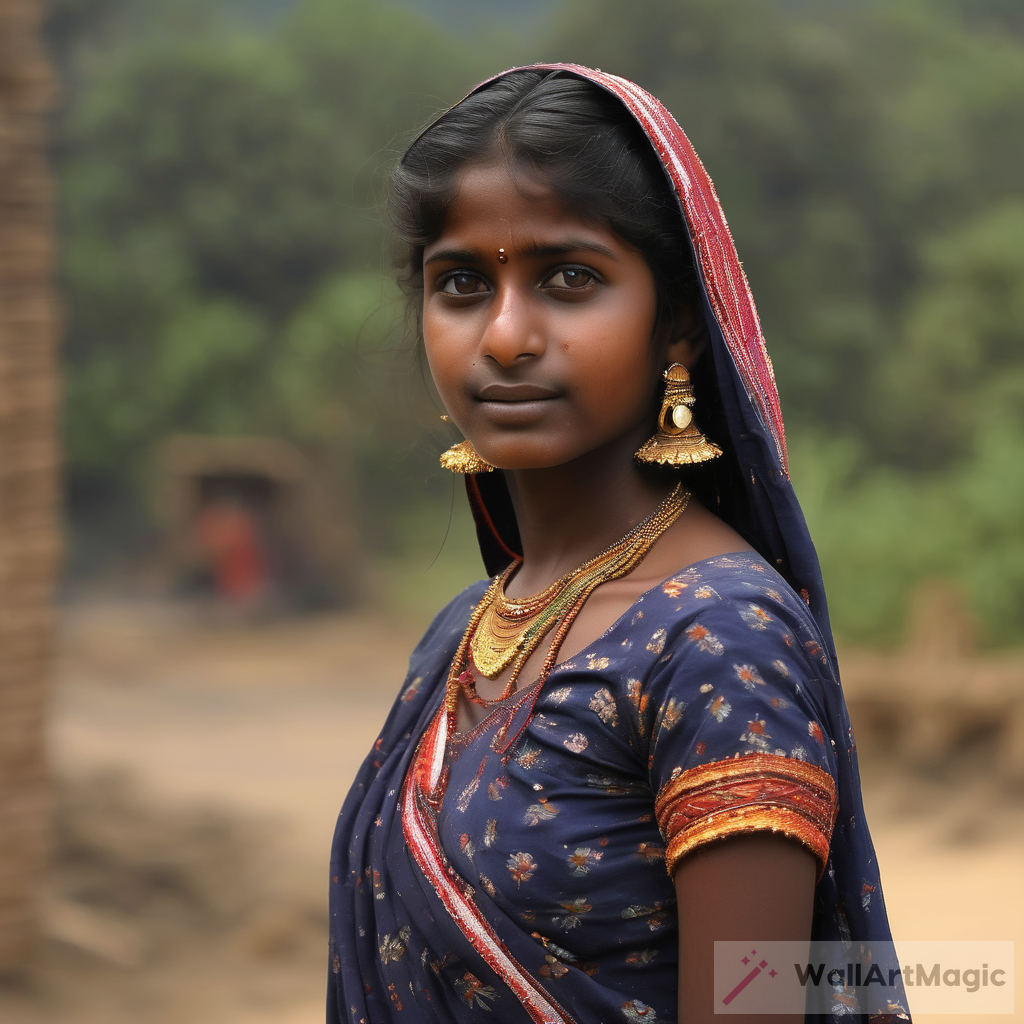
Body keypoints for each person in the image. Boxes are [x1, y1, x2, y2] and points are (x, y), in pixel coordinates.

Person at [328, 65, 908, 1024]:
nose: (507, 336)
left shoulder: (722, 641)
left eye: (569, 278)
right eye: (463, 283)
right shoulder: (458, 636)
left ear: (675, 321)